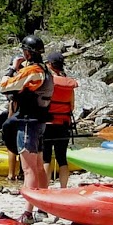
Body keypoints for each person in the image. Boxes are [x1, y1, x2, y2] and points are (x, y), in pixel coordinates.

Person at [0, 35, 54, 191]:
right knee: (38, 167)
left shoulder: (32, 70)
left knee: (29, 170)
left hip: (28, 123)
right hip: (40, 122)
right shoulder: (46, 70)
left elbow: (3, 86)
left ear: (28, 53)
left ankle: (28, 212)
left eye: (24, 50)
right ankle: (43, 205)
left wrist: (12, 67)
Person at [42, 51, 79, 188]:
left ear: (50, 65)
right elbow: (72, 106)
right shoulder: (69, 84)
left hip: (47, 124)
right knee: (62, 158)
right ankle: (63, 188)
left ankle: (45, 189)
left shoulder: (47, 81)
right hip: (63, 124)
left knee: (46, 158)